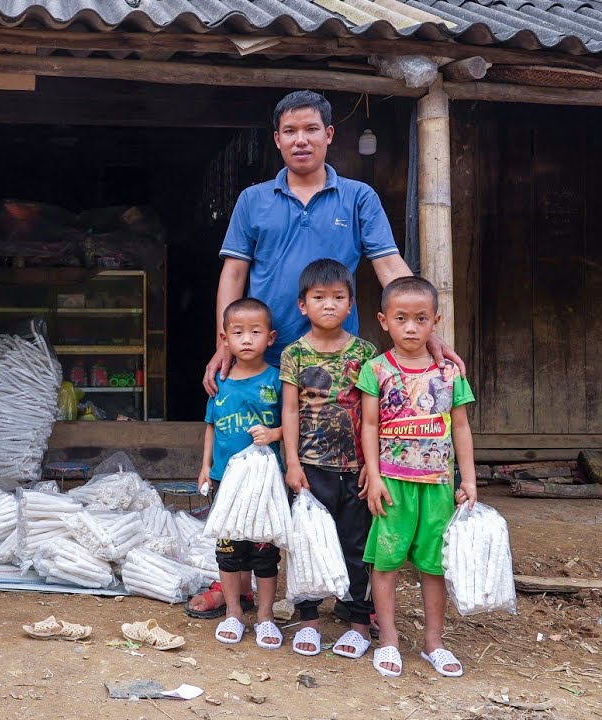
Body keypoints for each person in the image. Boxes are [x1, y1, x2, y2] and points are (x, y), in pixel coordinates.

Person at [204, 90, 462, 392]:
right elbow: (234, 273)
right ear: (277, 139)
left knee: (334, 437)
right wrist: (224, 343)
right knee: (261, 437)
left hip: (338, 355)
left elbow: (390, 267)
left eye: (311, 129)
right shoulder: (252, 199)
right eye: (290, 131)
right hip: (262, 354)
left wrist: (429, 332)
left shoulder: (358, 197)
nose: (300, 139)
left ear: (328, 134)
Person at [358, 276, 476, 678]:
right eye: (401, 318)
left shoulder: (448, 374)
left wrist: (469, 480)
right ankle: (388, 638)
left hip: (438, 486)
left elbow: (460, 427)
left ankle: (433, 642)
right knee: (386, 562)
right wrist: (373, 477)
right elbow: (369, 426)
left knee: (433, 566)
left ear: (435, 322)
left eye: (420, 318)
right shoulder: (376, 369)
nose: (411, 327)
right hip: (392, 484)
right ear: (384, 321)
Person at [279, 259, 378, 658]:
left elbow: (373, 414)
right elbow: (289, 411)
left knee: (356, 545)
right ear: (303, 305)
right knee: (307, 544)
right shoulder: (294, 355)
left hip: (356, 469)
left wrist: (373, 464)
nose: (329, 305)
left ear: (351, 304)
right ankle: (308, 620)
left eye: (339, 297)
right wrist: (292, 462)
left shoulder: (365, 352)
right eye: (319, 298)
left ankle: (358, 623)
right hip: (311, 467)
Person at [194, 298, 284, 650]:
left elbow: (291, 423)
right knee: (229, 548)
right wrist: (205, 466)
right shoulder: (220, 382)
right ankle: (233, 611)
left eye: (255, 332)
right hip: (225, 480)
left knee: (264, 550)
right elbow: (211, 427)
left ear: (271, 337)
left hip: (264, 482)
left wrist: (274, 434)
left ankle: (265, 615)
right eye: (238, 332)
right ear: (224, 339)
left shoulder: (276, 380)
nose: (247, 339)